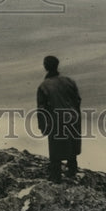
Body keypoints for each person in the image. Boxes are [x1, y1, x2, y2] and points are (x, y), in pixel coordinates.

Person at [36, 55, 82, 183]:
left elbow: (42, 109)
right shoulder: (69, 81)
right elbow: (77, 100)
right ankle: (72, 172)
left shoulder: (44, 86)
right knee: (71, 147)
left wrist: (44, 126)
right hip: (72, 118)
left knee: (56, 151)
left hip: (56, 121)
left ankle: (56, 178)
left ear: (45, 67)